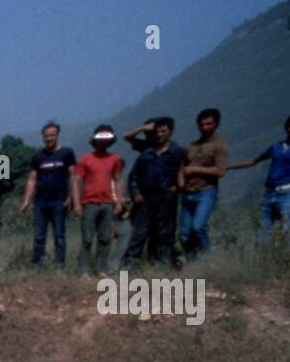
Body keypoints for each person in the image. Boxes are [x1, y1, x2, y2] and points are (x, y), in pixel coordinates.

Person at [227, 111, 290, 240]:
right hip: (270, 193)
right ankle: (264, 258)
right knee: (264, 231)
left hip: (289, 191)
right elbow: (255, 160)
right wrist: (229, 167)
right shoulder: (277, 146)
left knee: (287, 229)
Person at [120, 117, 183, 266]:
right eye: (157, 131)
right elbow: (134, 175)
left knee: (164, 234)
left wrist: (178, 187)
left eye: (164, 131)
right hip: (147, 200)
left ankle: (162, 268)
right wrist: (136, 193)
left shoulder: (178, 152)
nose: (160, 134)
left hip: (167, 200)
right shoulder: (146, 152)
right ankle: (127, 268)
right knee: (139, 234)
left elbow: (184, 171)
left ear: (170, 132)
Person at [19, 122, 77, 269]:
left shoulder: (67, 153)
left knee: (59, 236)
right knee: (39, 236)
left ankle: (59, 267)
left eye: (52, 135)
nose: (49, 138)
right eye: (46, 136)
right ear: (42, 137)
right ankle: (38, 266)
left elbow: (73, 177)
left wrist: (72, 198)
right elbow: (32, 179)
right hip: (41, 202)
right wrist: (26, 200)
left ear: (57, 135)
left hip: (59, 201)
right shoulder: (38, 156)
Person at [71, 125, 125, 274]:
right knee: (87, 239)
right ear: (95, 140)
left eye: (106, 139)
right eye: (100, 139)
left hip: (108, 203)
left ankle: (101, 269)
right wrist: (76, 204)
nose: (103, 143)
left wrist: (119, 202)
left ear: (111, 141)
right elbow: (76, 181)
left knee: (105, 238)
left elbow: (118, 180)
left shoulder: (115, 159)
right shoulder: (85, 160)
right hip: (89, 203)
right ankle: (84, 270)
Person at [178, 108, 229, 261]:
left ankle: (209, 261)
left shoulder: (220, 146)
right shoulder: (192, 146)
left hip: (206, 191)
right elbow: (182, 167)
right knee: (185, 234)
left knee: (198, 227)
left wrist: (195, 169)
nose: (205, 127)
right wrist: (181, 182)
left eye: (209, 124)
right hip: (187, 192)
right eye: (202, 124)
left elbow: (220, 171)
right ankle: (192, 266)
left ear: (216, 124)